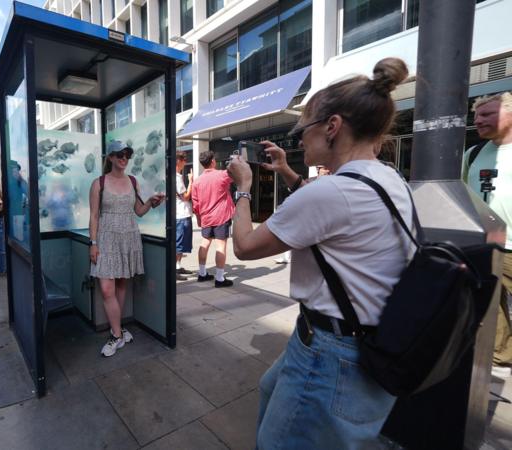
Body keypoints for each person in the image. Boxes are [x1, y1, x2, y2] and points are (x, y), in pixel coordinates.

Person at [227, 57, 413, 447]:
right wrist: (286, 171)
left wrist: (243, 188)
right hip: (365, 336)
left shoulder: (333, 191)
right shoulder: (387, 178)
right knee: (269, 388)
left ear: (332, 127)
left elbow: (243, 246)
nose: (298, 139)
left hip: (333, 354)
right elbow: (329, 211)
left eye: (303, 128)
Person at [89, 141, 166, 357]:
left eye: (127, 155)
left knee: (122, 284)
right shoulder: (98, 183)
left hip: (129, 237)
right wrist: (93, 243)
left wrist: (151, 202)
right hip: (106, 239)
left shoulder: (133, 181)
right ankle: (117, 334)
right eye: (120, 155)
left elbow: (139, 211)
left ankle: (117, 330)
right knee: (107, 288)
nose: (124, 158)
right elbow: (94, 216)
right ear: (111, 157)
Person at [463, 92, 512, 378]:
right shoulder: (473, 154)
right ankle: (501, 357)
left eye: (486, 114)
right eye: (476, 116)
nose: (478, 121)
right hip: (486, 244)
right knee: (493, 304)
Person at [191, 150, 235, 287]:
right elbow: (236, 175)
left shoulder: (197, 182)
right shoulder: (222, 175)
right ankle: (219, 278)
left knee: (205, 243)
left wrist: (199, 219)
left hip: (206, 217)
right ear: (213, 161)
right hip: (221, 216)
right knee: (221, 246)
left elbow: (195, 205)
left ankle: (202, 273)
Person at [175, 152, 194, 280]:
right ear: (178, 161)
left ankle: (178, 266)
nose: (185, 162)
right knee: (179, 244)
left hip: (181, 214)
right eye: (184, 160)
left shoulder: (177, 176)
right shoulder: (176, 177)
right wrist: (191, 181)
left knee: (181, 244)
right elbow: (185, 197)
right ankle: (174, 271)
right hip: (181, 214)